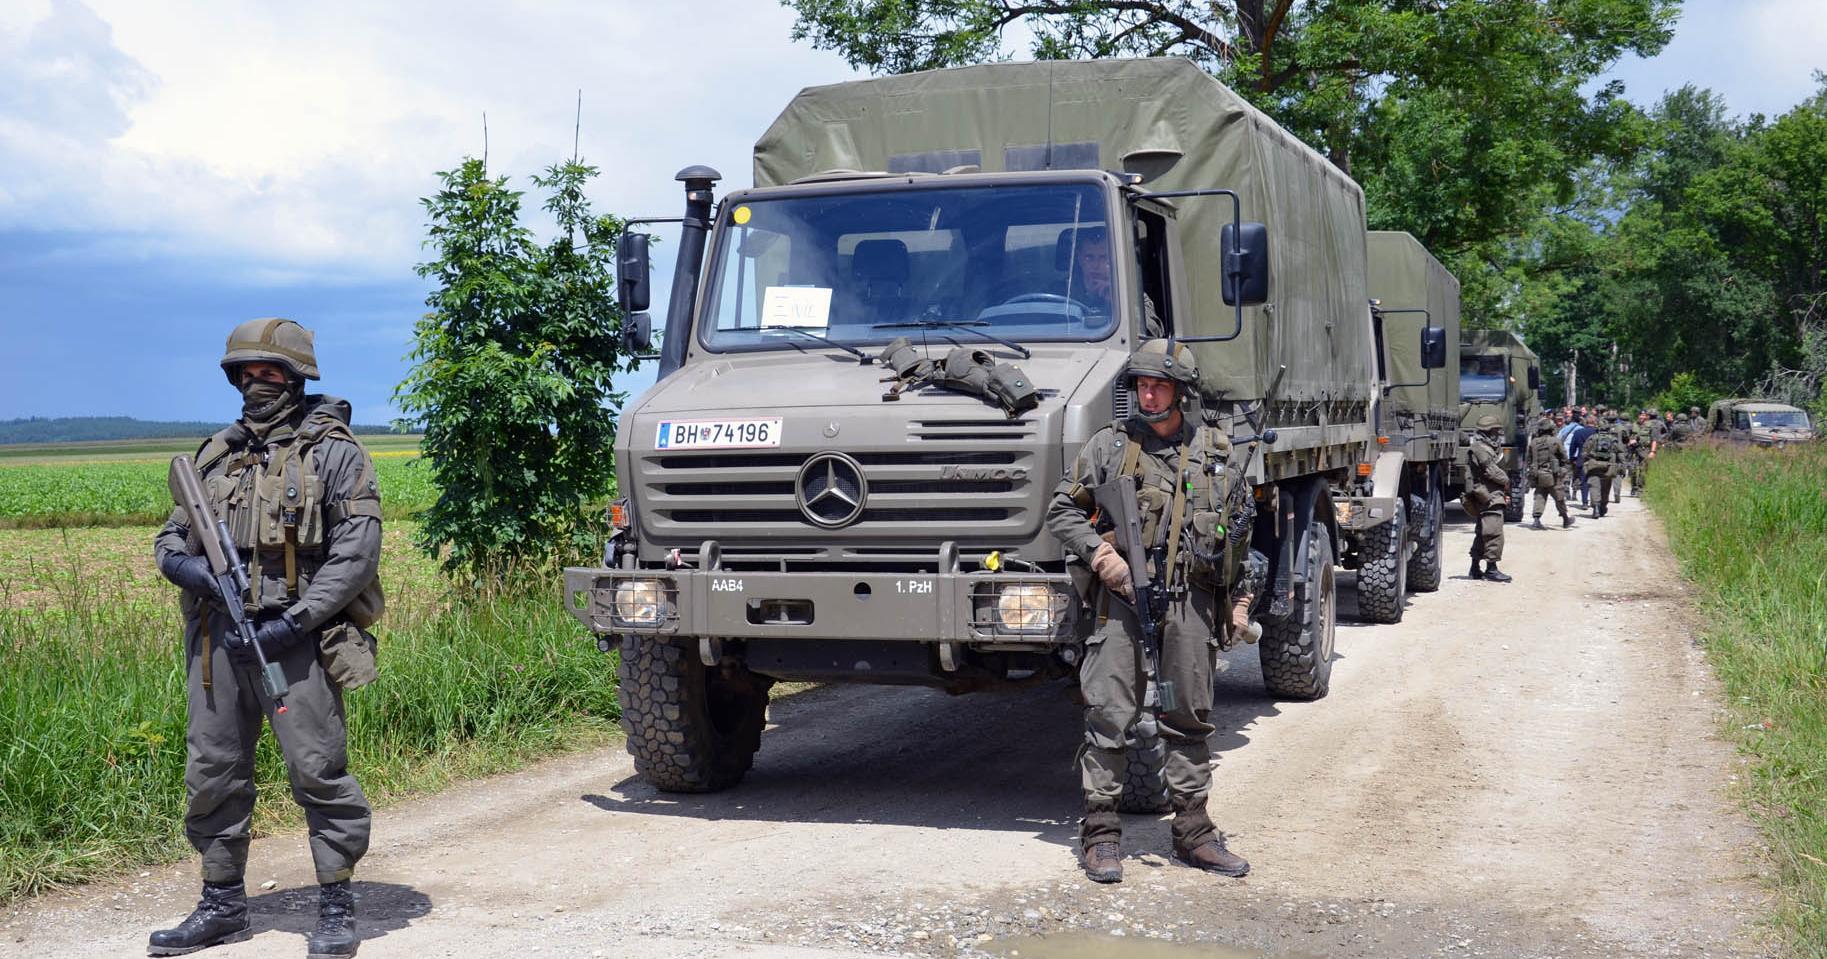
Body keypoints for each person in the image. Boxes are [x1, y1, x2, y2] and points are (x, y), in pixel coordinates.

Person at [150, 318, 382, 959]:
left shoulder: (335, 453)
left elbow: (355, 556)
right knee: (212, 770)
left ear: (297, 376)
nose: (257, 382)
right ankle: (222, 902)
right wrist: (187, 568)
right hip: (217, 639)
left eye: (270, 371)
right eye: (246, 372)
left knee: (317, 769)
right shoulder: (216, 455)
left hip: (298, 639)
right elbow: (171, 536)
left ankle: (335, 902)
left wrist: (294, 622)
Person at [1045, 338, 1258, 884]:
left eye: (1159, 386)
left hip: (1191, 600)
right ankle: (1101, 834)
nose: (1149, 394)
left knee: (1188, 717)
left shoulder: (1216, 453)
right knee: (1109, 715)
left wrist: (1238, 600)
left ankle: (1193, 833)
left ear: (1181, 393)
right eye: (1142, 385)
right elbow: (1062, 510)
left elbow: (1239, 536)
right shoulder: (1110, 447)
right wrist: (1102, 557)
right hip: (1120, 601)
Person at [1463, 415, 1513, 582]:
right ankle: (1491, 568)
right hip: (1488, 495)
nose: (1498, 434)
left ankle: (1475, 568)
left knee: (1482, 532)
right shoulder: (1480, 449)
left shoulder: (1488, 447)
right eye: (1495, 431)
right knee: (1493, 532)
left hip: (1492, 493)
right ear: (1488, 431)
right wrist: (1506, 480)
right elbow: (1490, 471)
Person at [1526, 418, 1572, 529]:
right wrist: (1564, 470)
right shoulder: (1556, 441)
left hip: (1538, 475)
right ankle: (1565, 519)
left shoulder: (1533, 442)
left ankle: (1536, 520)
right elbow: (1564, 458)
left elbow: (1529, 460)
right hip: (1553, 475)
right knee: (1559, 497)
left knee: (1540, 496)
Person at [1582, 414, 1621, 518]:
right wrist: (1621, 466)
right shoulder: (1613, 439)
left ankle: (1596, 508)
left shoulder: (1592, 438)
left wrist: (1588, 460)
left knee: (1594, 487)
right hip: (1608, 467)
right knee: (1605, 488)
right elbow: (1619, 453)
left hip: (1594, 467)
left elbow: (1584, 453)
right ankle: (1603, 507)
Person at [1567, 414, 1597, 508]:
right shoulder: (1597, 432)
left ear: (1585, 422)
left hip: (1582, 459)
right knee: (1596, 481)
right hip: (1596, 459)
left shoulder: (1578, 432)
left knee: (1584, 481)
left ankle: (1585, 502)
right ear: (1595, 422)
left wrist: (1572, 458)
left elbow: (1572, 446)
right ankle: (1595, 502)